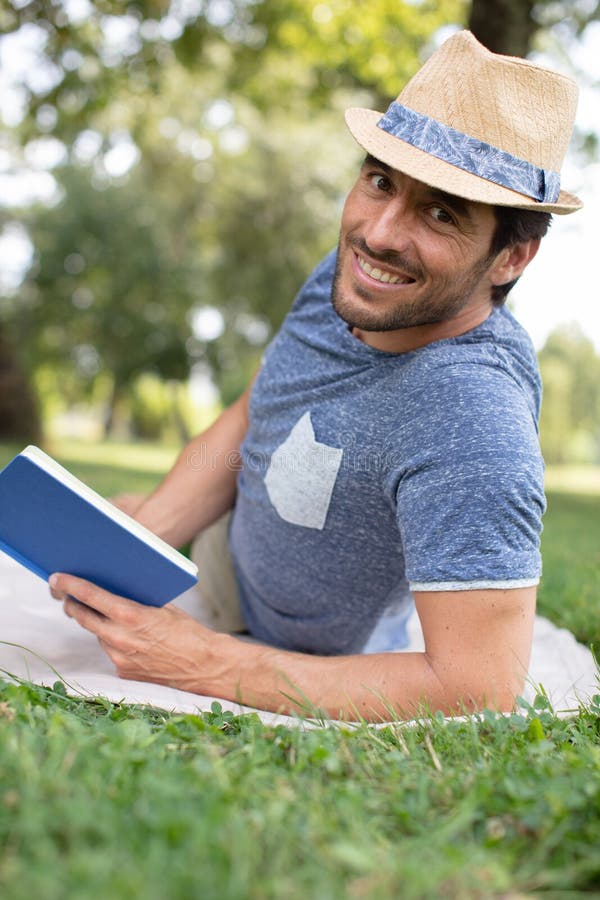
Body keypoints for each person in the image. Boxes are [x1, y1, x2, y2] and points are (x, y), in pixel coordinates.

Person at [49, 30, 583, 721]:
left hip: (317, 658)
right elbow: (255, 412)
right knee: (113, 517)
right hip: (228, 556)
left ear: (512, 258)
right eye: (381, 181)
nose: (378, 234)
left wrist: (202, 661)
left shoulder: (476, 421)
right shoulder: (354, 276)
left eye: (441, 212)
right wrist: (144, 536)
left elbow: (479, 685)